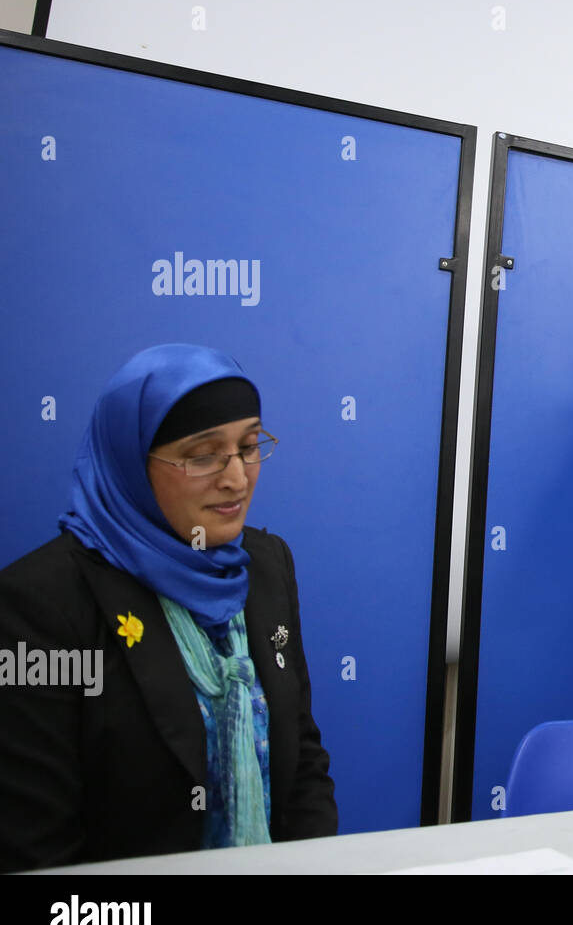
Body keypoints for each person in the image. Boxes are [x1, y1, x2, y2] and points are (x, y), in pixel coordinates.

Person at [0, 344, 336, 871]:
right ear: (132, 461)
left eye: (249, 446)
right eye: (204, 455)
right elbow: (35, 848)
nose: (237, 478)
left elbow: (304, 763)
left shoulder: (265, 564)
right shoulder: (41, 607)